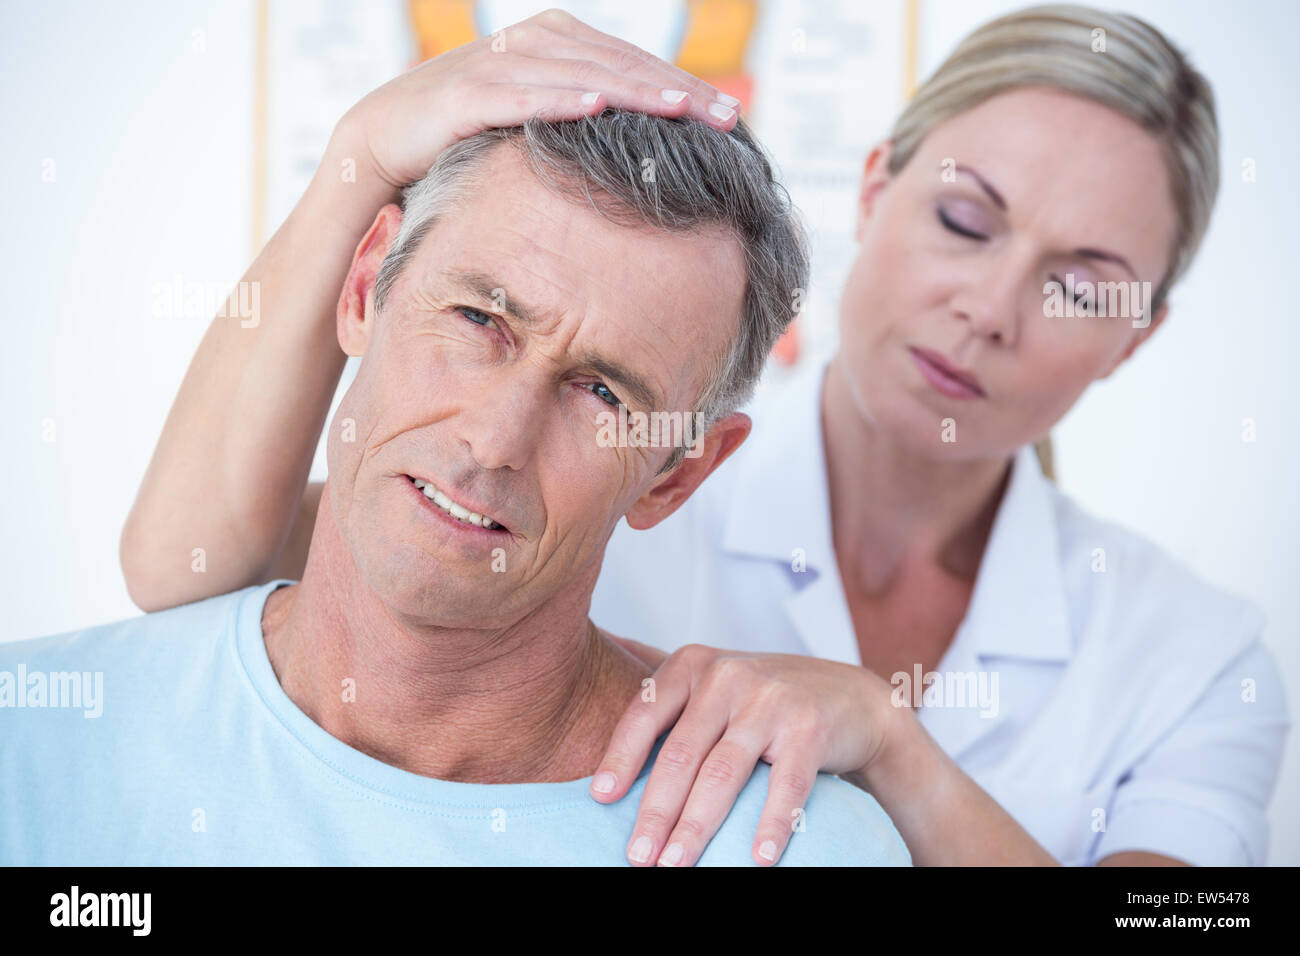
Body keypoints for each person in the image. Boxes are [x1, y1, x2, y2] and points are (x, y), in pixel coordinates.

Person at [118, 6, 1289, 867]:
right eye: (964, 218)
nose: (989, 306)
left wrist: (884, 738)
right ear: (874, 191)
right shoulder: (614, 454)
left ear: (1135, 336)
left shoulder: (1195, 655)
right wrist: (360, 158)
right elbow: (190, 568)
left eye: (1082, 287)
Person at [0, 105, 911, 867]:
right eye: (479, 318)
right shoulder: (32, 740)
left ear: (678, 474)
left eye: (602, 391)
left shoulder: (796, 847)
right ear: (365, 286)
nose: (495, 438)